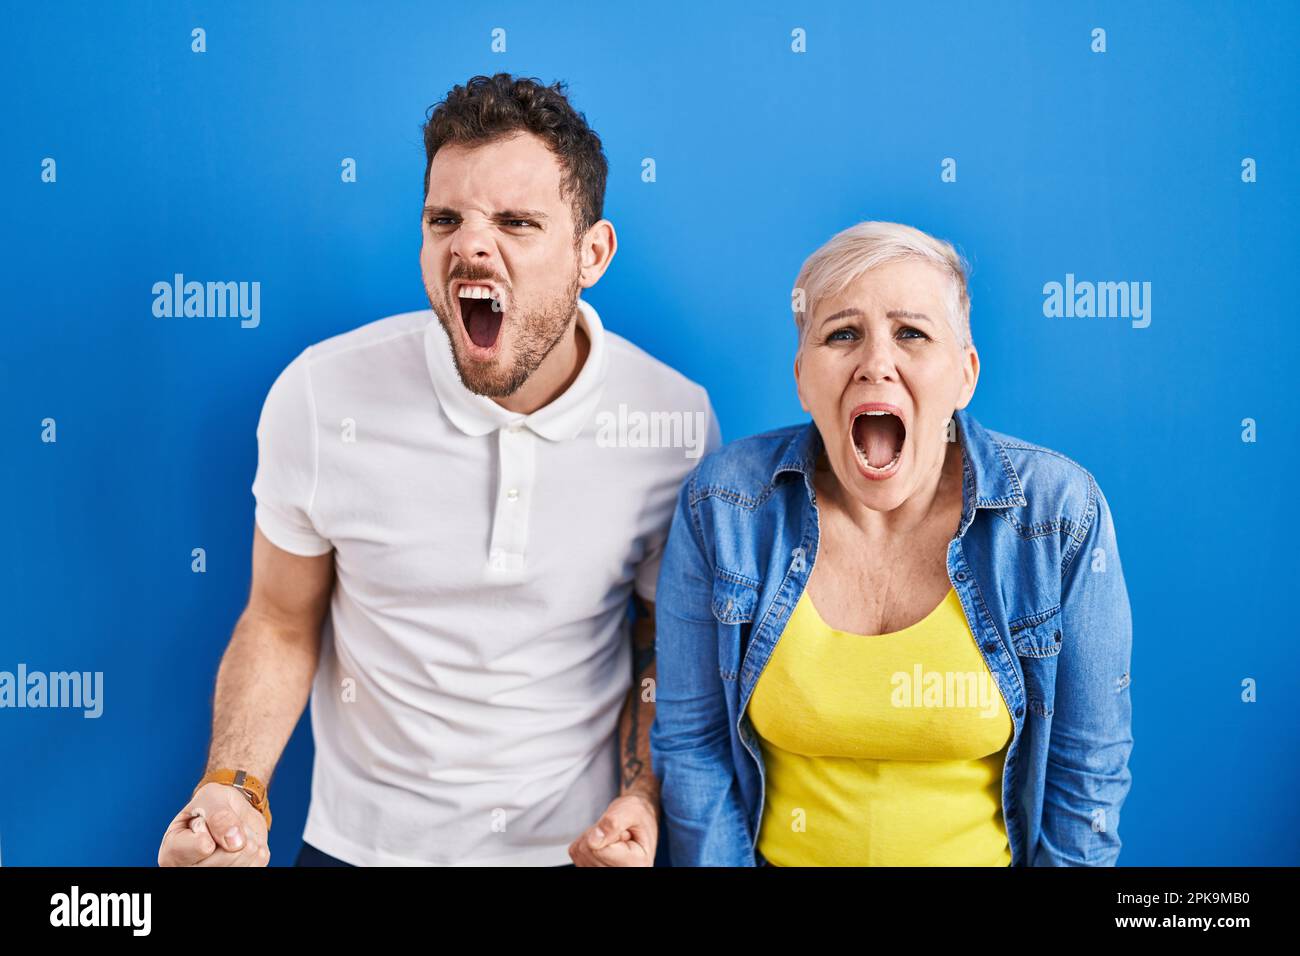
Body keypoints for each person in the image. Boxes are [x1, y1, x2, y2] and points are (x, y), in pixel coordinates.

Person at [157, 73, 718, 867]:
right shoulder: (321, 396)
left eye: (517, 222)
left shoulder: (674, 421)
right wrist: (235, 787)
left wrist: (643, 794)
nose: (470, 246)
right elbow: (280, 621)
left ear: (592, 252)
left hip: (575, 853)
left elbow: (665, 640)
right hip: (356, 849)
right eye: (445, 218)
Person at [651, 221, 1133, 866]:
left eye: (912, 333)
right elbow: (693, 744)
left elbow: (1087, 774)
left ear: (965, 376)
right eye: (842, 334)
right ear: (802, 376)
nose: (876, 362)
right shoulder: (725, 503)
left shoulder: (1057, 515)